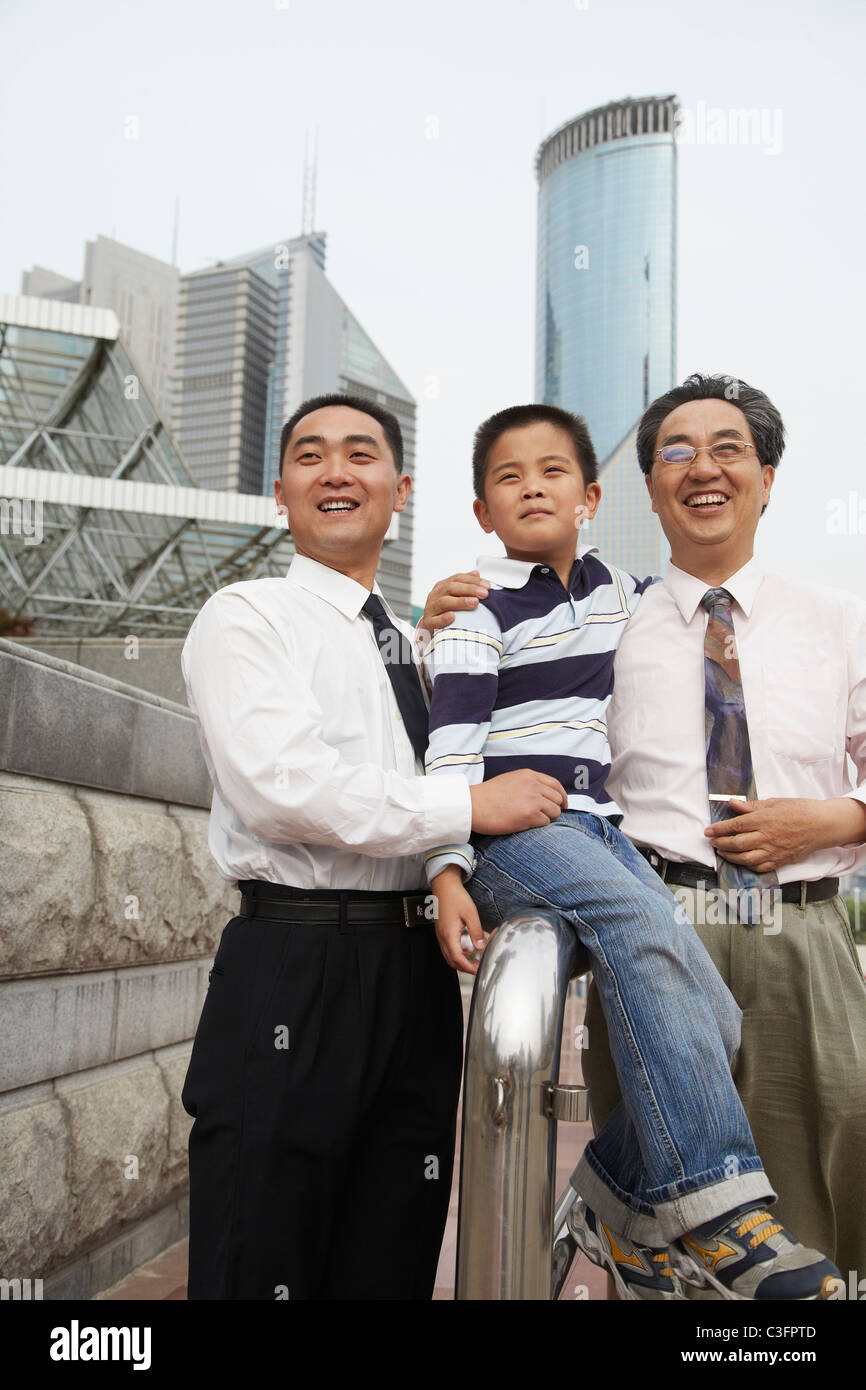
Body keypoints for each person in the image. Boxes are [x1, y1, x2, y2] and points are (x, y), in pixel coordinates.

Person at [420, 401, 840, 1301]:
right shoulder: (474, 608)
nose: (533, 485)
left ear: (592, 495)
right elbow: (449, 748)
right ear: (481, 512)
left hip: (617, 842)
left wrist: (832, 818)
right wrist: (445, 867)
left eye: (553, 472)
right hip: (524, 835)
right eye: (508, 477)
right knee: (642, 922)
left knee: (713, 1022)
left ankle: (611, 1198)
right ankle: (721, 1216)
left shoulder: (628, 597)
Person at [180, 392, 571, 1300]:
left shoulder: (415, 645)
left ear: (399, 491)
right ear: (280, 490)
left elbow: (440, 759)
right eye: (310, 456)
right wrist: (470, 806)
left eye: (360, 455)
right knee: (262, 1249)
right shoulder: (246, 616)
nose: (335, 471)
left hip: (416, 977)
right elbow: (285, 791)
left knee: (392, 1246)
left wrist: (447, 874)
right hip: (296, 959)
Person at [585, 373, 866, 1292]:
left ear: (768, 478)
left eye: (728, 449)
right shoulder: (603, 626)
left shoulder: (838, 618)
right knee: (671, 1222)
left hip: (808, 937)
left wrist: (833, 819)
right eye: (676, 451)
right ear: (652, 484)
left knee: (825, 1187)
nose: (702, 467)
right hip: (660, 936)